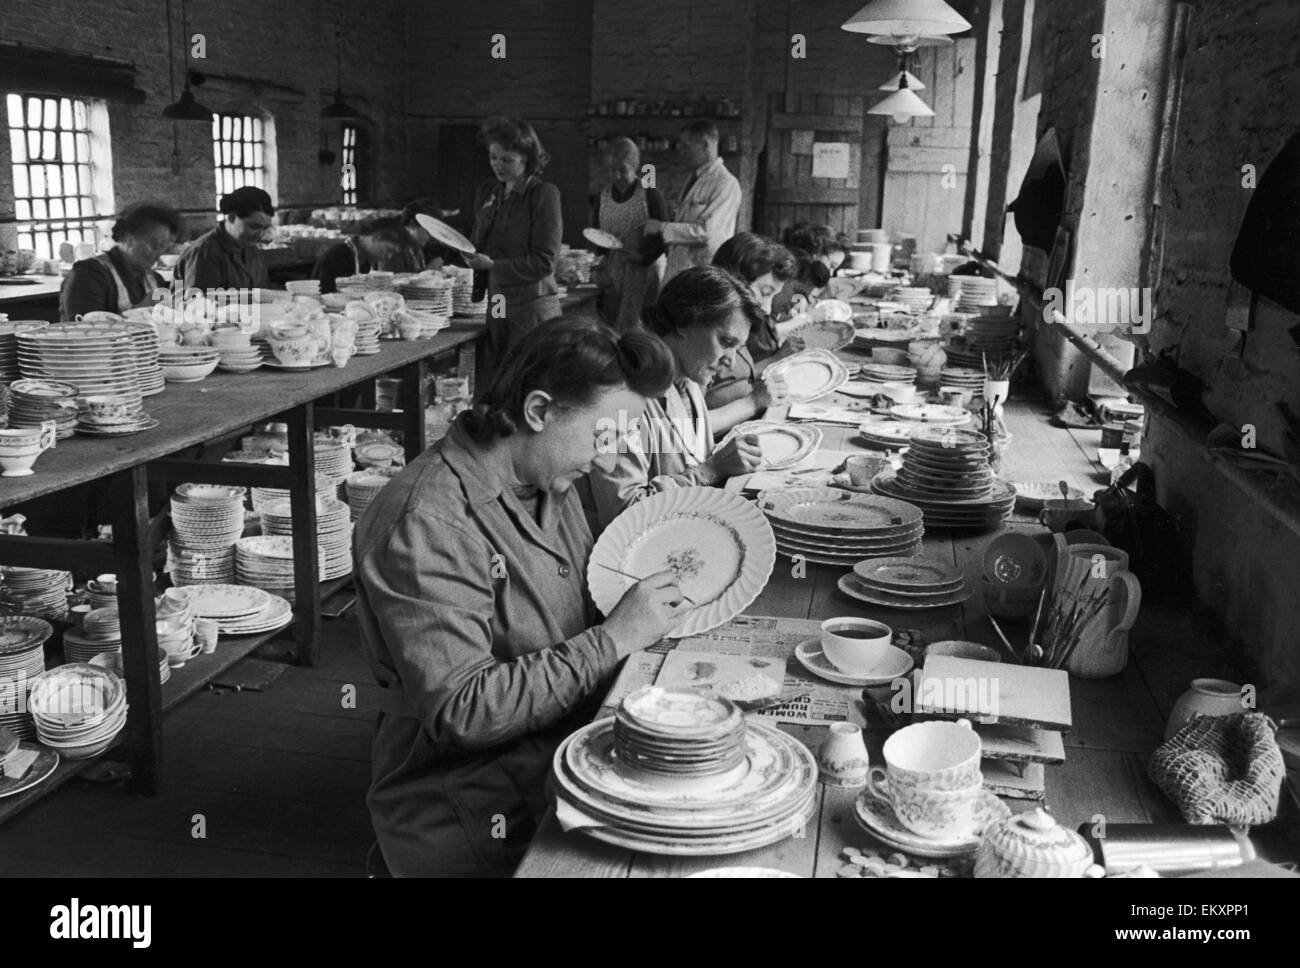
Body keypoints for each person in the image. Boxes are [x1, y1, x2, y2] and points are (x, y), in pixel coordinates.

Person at [354, 315, 688, 877]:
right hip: (471, 807)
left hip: (557, 762)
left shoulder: (544, 477)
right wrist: (614, 639)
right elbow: (464, 710)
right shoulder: (429, 522)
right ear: (538, 411)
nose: (609, 461)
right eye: (602, 437)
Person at [581, 266, 782, 534]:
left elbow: (687, 454)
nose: (731, 361)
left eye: (737, 347)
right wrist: (710, 470)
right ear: (684, 321)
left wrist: (728, 459)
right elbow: (624, 515)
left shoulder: (688, 381)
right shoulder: (622, 394)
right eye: (725, 341)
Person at [468, 116, 563, 390]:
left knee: (529, 384)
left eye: (507, 160)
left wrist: (492, 266)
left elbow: (544, 261)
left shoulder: (543, 194)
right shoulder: (490, 193)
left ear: (527, 160)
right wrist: (470, 254)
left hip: (532, 307)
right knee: (499, 380)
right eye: (493, 157)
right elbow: (482, 243)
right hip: (498, 301)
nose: (498, 165)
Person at [705, 232, 806, 421]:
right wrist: (753, 402)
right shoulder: (708, 332)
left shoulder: (738, 328)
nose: (767, 309)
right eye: (765, 292)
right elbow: (688, 425)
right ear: (735, 281)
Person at [643, 120, 742, 284]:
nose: (681, 152)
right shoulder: (695, 178)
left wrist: (662, 227)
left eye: (686, 147)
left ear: (705, 145)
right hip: (680, 267)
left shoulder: (725, 183)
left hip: (701, 272)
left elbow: (708, 233)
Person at [591, 137, 667, 331]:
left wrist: (642, 257)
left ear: (635, 166)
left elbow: (664, 236)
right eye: (611, 169)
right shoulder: (603, 195)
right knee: (611, 326)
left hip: (645, 270)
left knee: (639, 328)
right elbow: (597, 233)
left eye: (622, 169)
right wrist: (600, 260)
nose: (616, 175)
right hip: (615, 271)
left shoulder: (649, 193)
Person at [59, 202, 181, 318]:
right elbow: (82, 327)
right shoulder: (88, 275)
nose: (159, 253)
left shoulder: (155, 280)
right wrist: (141, 311)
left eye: (163, 247)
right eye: (154, 244)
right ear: (128, 237)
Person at [178, 186, 275, 293]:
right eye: (254, 227)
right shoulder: (205, 252)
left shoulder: (251, 249)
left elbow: (261, 290)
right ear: (232, 217)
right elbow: (198, 300)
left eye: (265, 228)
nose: (261, 234)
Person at [310, 216, 409, 293]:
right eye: (388, 250)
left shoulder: (365, 260)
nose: (389, 256)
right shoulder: (338, 256)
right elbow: (325, 294)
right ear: (375, 237)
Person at [390, 198, 468, 272]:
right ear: (412, 224)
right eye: (427, 231)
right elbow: (393, 280)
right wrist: (428, 271)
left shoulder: (416, 246)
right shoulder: (393, 248)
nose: (430, 236)